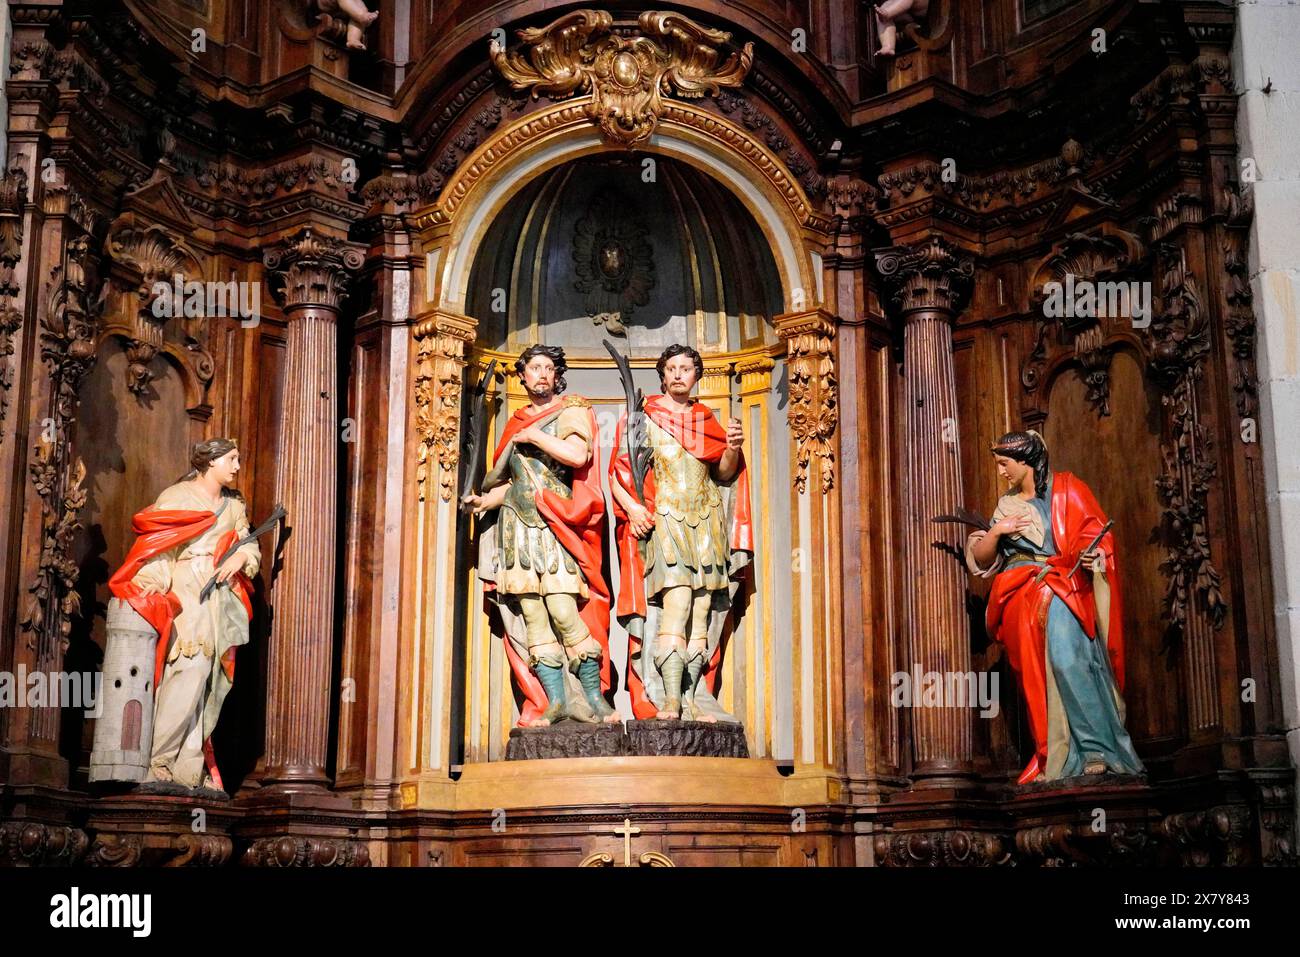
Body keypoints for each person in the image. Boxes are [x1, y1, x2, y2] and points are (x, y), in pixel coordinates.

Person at [964, 430, 1144, 784]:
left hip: (1064, 584)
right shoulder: (1006, 506)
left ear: (1026, 461)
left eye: (1004, 464)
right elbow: (983, 557)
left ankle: (1096, 749)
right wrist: (998, 531)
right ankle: (1057, 755)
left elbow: (1094, 533)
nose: (1001, 472)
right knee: (1035, 676)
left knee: (1069, 659)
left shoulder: (1069, 489)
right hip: (1019, 594)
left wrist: (1092, 554)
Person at [464, 345, 617, 726]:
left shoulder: (572, 409)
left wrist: (534, 435)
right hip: (517, 525)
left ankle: (594, 701)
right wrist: (483, 501)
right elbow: (514, 482)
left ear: (557, 375)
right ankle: (556, 702)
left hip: (557, 522)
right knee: (532, 614)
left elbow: (577, 456)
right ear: (524, 375)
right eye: (535, 368)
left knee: (565, 612)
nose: (542, 374)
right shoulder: (515, 422)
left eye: (549, 368)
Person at [609, 343, 753, 722]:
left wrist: (733, 449)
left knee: (702, 612)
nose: (677, 374)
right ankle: (669, 700)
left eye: (685, 368)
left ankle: (693, 699)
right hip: (668, 520)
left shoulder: (707, 419)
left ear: (696, 375)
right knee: (677, 605)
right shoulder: (643, 417)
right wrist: (634, 507)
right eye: (671, 367)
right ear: (662, 374)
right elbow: (619, 473)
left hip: (706, 522)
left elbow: (723, 474)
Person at [108, 438, 260, 791]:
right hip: (187, 590)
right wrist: (150, 583)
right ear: (211, 462)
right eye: (232, 459)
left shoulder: (233, 505)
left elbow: (247, 542)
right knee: (187, 667)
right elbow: (160, 548)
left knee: (209, 676)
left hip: (219, 596)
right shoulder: (177, 497)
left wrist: (240, 558)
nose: (237, 467)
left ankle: (187, 766)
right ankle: (159, 757)